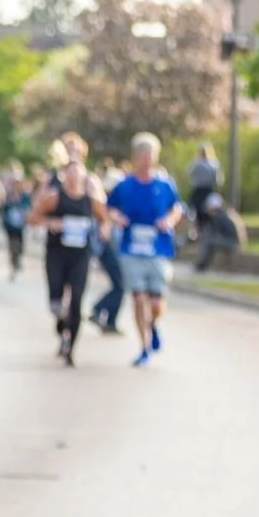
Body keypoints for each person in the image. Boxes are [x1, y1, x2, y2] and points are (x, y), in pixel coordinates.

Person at [105, 133, 182, 366]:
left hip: (158, 248)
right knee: (138, 298)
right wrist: (117, 218)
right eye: (143, 156)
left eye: (151, 156)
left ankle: (153, 324)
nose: (147, 160)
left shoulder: (165, 185)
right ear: (135, 158)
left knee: (156, 304)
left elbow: (176, 208)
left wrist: (169, 221)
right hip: (131, 249)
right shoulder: (125, 185)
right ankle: (144, 346)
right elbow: (109, 208)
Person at [33, 157, 104, 366]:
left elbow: (105, 218)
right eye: (70, 172)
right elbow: (33, 216)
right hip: (56, 254)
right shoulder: (55, 198)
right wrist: (49, 222)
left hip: (80, 256)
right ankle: (61, 324)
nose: (74, 176)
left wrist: (105, 228)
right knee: (56, 300)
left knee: (77, 302)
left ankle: (70, 348)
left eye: (78, 171)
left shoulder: (91, 200)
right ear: (65, 176)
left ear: (84, 175)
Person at [186, 143, 221, 237]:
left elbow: (189, 174)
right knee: (197, 210)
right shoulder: (212, 164)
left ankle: (204, 230)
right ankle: (200, 230)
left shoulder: (202, 163)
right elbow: (218, 180)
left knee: (203, 210)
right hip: (204, 189)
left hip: (204, 189)